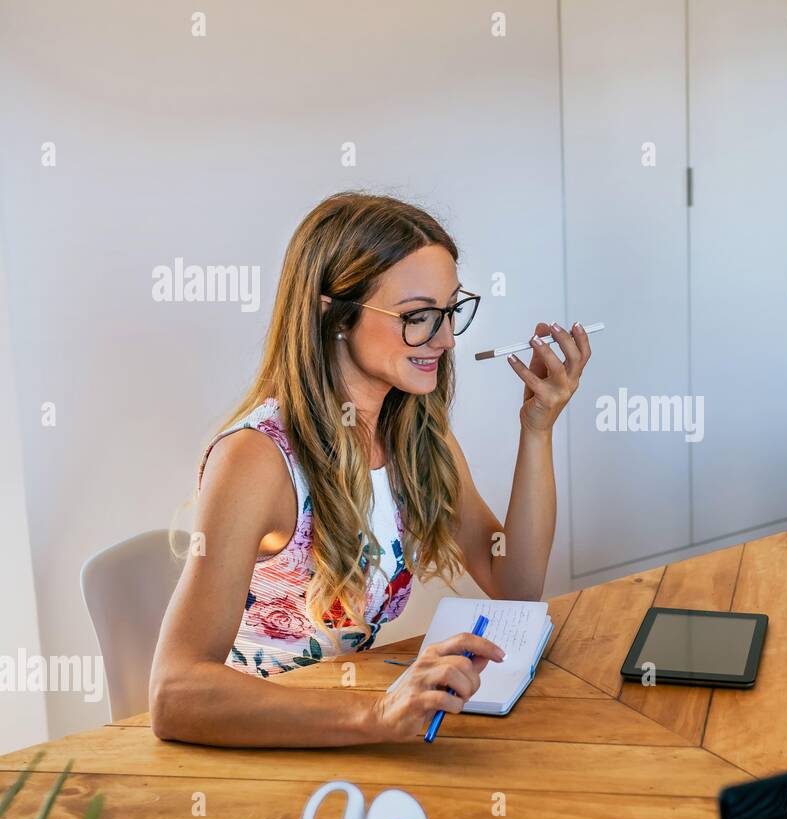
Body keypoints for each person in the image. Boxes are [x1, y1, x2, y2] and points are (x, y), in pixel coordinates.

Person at [149, 192, 591, 746]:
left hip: (346, 733)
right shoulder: (256, 459)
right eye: (417, 317)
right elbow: (174, 694)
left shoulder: (414, 436)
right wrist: (377, 716)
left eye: (451, 311)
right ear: (333, 313)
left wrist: (538, 427)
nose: (446, 338)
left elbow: (516, 585)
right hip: (253, 752)